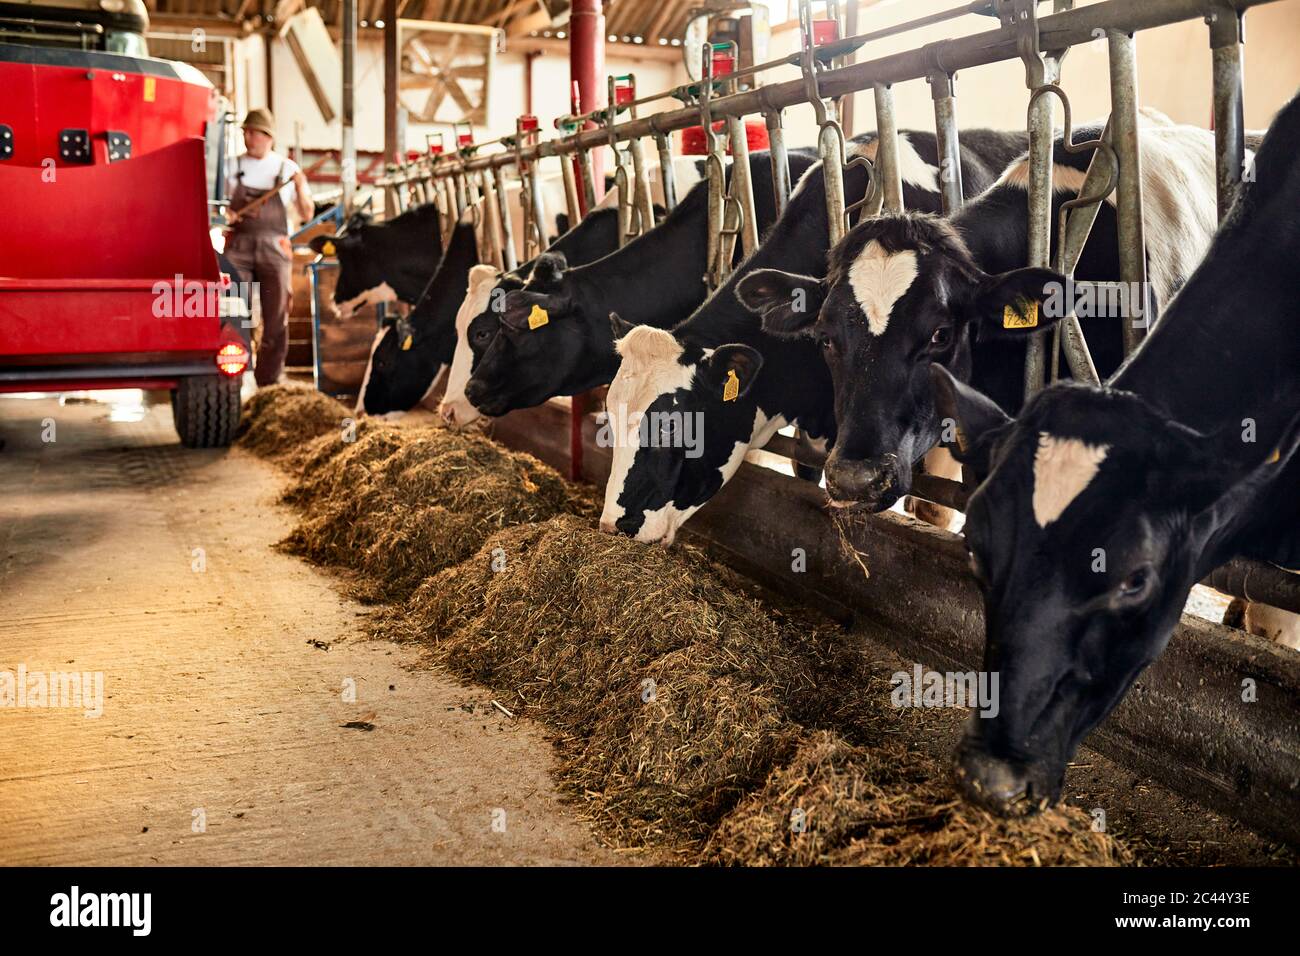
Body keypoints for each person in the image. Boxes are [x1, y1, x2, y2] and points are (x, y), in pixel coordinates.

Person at [224, 108, 314, 386]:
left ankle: (269, 380)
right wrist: (227, 215)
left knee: (276, 317)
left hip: (275, 248)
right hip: (238, 246)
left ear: (269, 137)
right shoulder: (229, 165)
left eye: (255, 133)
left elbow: (307, 213)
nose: (249, 138)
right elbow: (216, 206)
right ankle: (235, 374)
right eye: (246, 132)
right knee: (234, 311)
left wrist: (299, 188)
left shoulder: (287, 169)